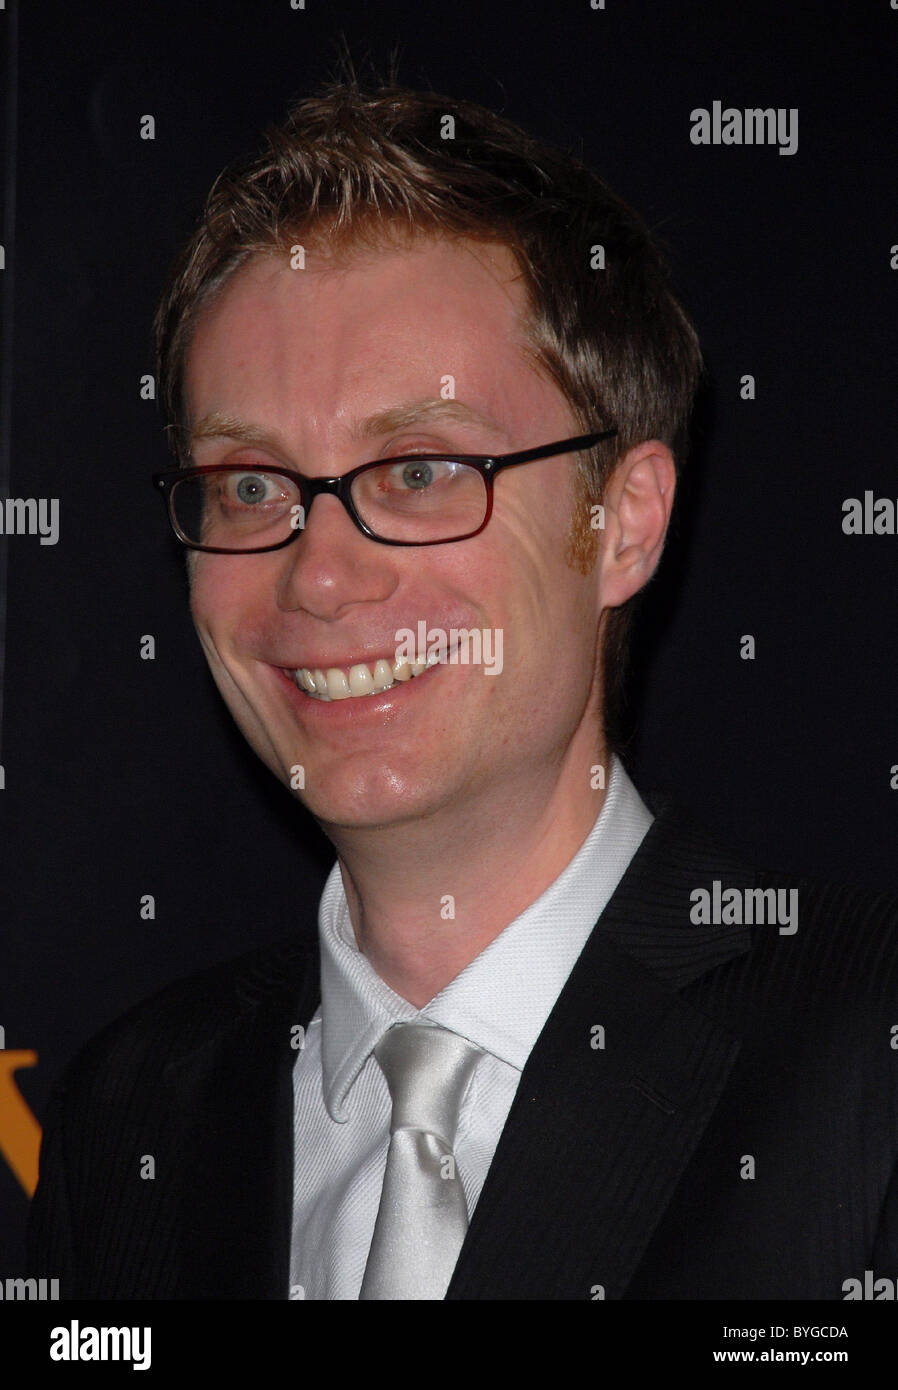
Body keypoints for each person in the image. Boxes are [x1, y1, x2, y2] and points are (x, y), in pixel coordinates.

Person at [28, 73, 898, 1301]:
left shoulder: (864, 1064)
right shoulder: (127, 1118)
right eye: (250, 485)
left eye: (421, 470)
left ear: (623, 522)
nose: (318, 575)